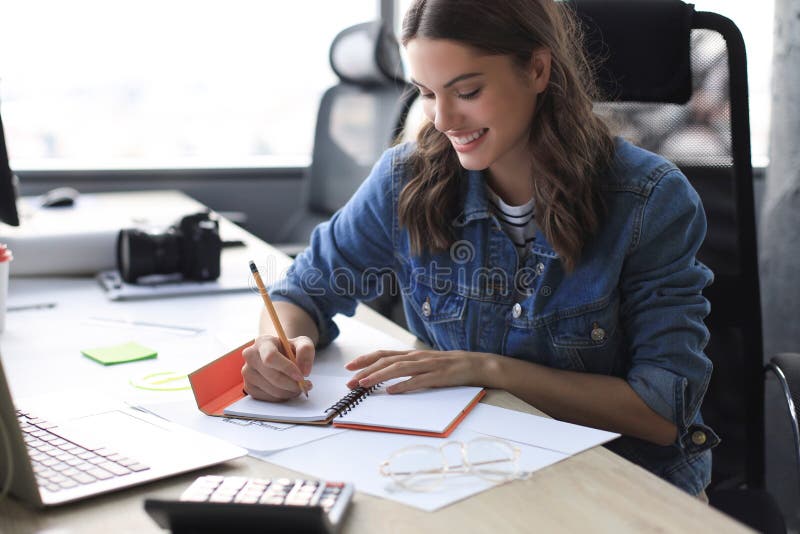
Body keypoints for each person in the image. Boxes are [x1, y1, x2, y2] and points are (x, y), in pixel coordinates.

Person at [241, 0, 718, 497]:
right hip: (470, 471)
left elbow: (661, 413)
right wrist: (276, 346)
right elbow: (302, 291)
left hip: (621, 485)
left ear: (537, 69)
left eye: (467, 91)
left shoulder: (648, 200)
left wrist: (486, 369)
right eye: (426, 93)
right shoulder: (406, 177)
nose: (443, 120)